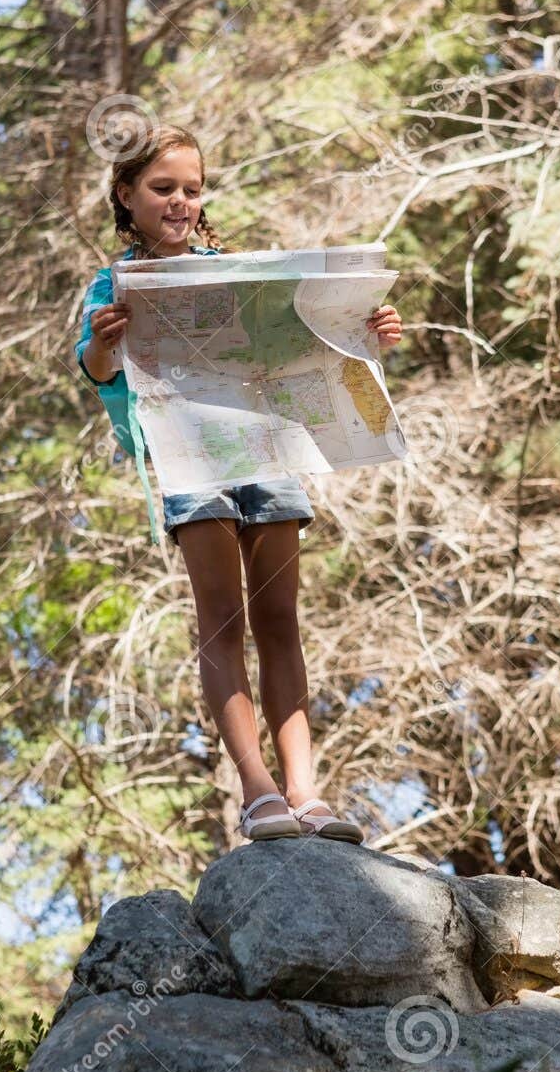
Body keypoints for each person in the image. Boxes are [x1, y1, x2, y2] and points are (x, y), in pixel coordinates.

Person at [75, 124, 403, 844]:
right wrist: (105, 339)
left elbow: (311, 343)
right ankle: (257, 793)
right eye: (163, 189)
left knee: (280, 620)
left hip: (269, 452)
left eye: (192, 189)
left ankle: (306, 792)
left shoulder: (239, 269)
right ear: (125, 196)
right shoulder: (113, 284)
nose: (181, 202)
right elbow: (97, 370)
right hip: (192, 462)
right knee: (221, 618)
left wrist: (367, 329)